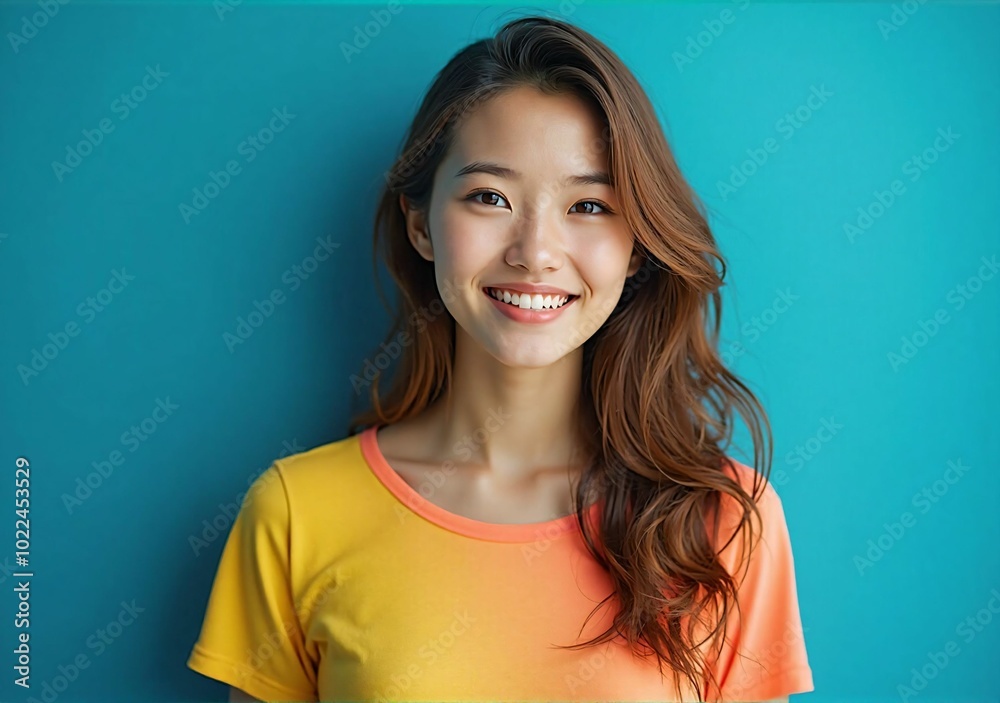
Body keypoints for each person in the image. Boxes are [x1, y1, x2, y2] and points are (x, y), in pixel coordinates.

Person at [186, 13, 814, 703]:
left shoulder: (724, 519)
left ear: (637, 246)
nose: (535, 250)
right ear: (420, 223)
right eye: (490, 197)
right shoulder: (293, 514)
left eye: (589, 204)